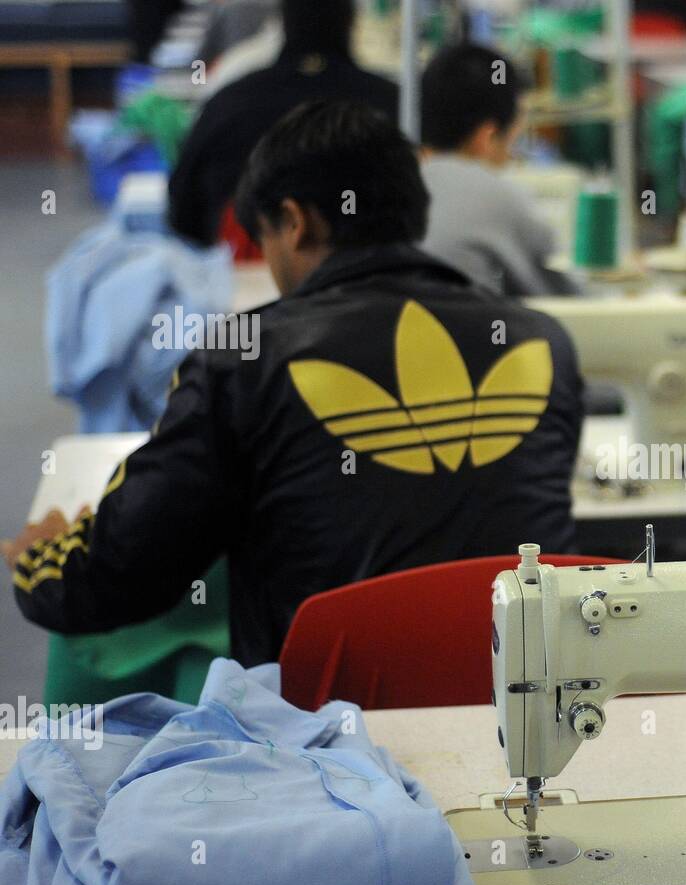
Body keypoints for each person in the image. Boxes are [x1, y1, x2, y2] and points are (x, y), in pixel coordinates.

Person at [5, 101, 583, 667]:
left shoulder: (242, 361)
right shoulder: (542, 343)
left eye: (266, 238)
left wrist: (44, 562)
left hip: (326, 738)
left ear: (295, 221)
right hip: (527, 715)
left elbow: (118, 573)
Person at [168, 0, 398, 247]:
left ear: (281, 22)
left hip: (240, 267)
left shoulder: (230, 100)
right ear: (353, 23)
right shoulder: (393, 104)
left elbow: (183, 211)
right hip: (373, 269)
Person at [418, 43, 570, 297]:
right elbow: (558, 294)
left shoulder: (384, 184)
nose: (512, 155)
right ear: (486, 137)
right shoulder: (499, 197)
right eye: (513, 139)